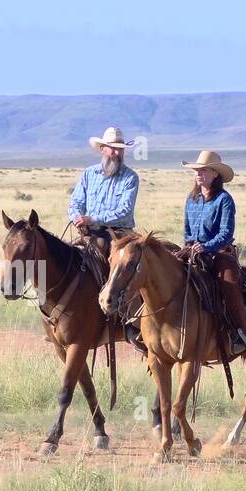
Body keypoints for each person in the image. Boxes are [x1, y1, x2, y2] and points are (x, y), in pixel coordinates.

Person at [68, 127, 145, 353]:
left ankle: (129, 322)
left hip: (119, 235)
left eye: (120, 150)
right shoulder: (88, 174)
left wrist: (93, 218)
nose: (117, 154)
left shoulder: (130, 177)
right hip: (88, 234)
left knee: (123, 268)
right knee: (67, 261)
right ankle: (65, 316)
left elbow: (124, 211)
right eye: (113, 149)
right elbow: (75, 202)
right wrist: (77, 218)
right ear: (103, 150)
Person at [180, 150, 246, 354]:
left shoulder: (224, 200)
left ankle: (240, 333)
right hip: (193, 250)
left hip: (220, 252)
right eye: (197, 170)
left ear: (215, 174)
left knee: (229, 284)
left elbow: (226, 232)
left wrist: (206, 246)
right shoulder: (191, 199)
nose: (199, 174)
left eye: (204, 170)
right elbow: (187, 229)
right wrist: (189, 246)